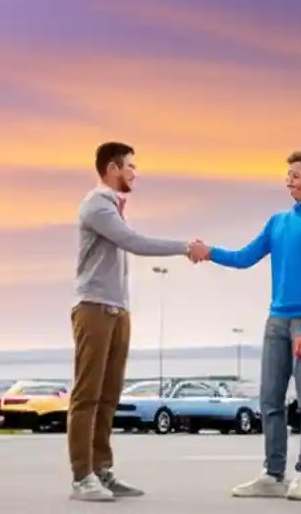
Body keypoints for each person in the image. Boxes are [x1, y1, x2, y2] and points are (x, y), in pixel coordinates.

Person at [188, 151, 301, 501]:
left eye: (295, 174)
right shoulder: (278, 222)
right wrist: (208, 251)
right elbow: (245, 257)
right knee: (270, 398)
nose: (288, 180)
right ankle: (273, 474)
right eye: (287, 174)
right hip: (276, 319)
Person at [68, 141, 196, 502]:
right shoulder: (97, 204)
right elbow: (133, 242)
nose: (135, 173)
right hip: (93, 307)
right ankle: (82, 477)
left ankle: (102, 471)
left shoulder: (115, 207)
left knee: (108, 397)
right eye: (130, 166)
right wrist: (184, 247)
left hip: (116, 309)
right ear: (112, 168)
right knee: (87, 396)